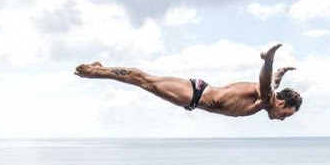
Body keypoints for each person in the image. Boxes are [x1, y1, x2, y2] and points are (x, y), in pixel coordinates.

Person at [76, 44, 301, 120]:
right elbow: (266, 81)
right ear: (281, 103)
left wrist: (280, 71)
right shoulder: (266, 98)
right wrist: (269, 60)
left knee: (146, 81)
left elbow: (273, 81)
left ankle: (100, 68)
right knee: (145, 81)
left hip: (198, 91)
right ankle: (96, 72)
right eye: (286, 114)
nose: (283, 119)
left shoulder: (269, 95)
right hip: (194, 95)